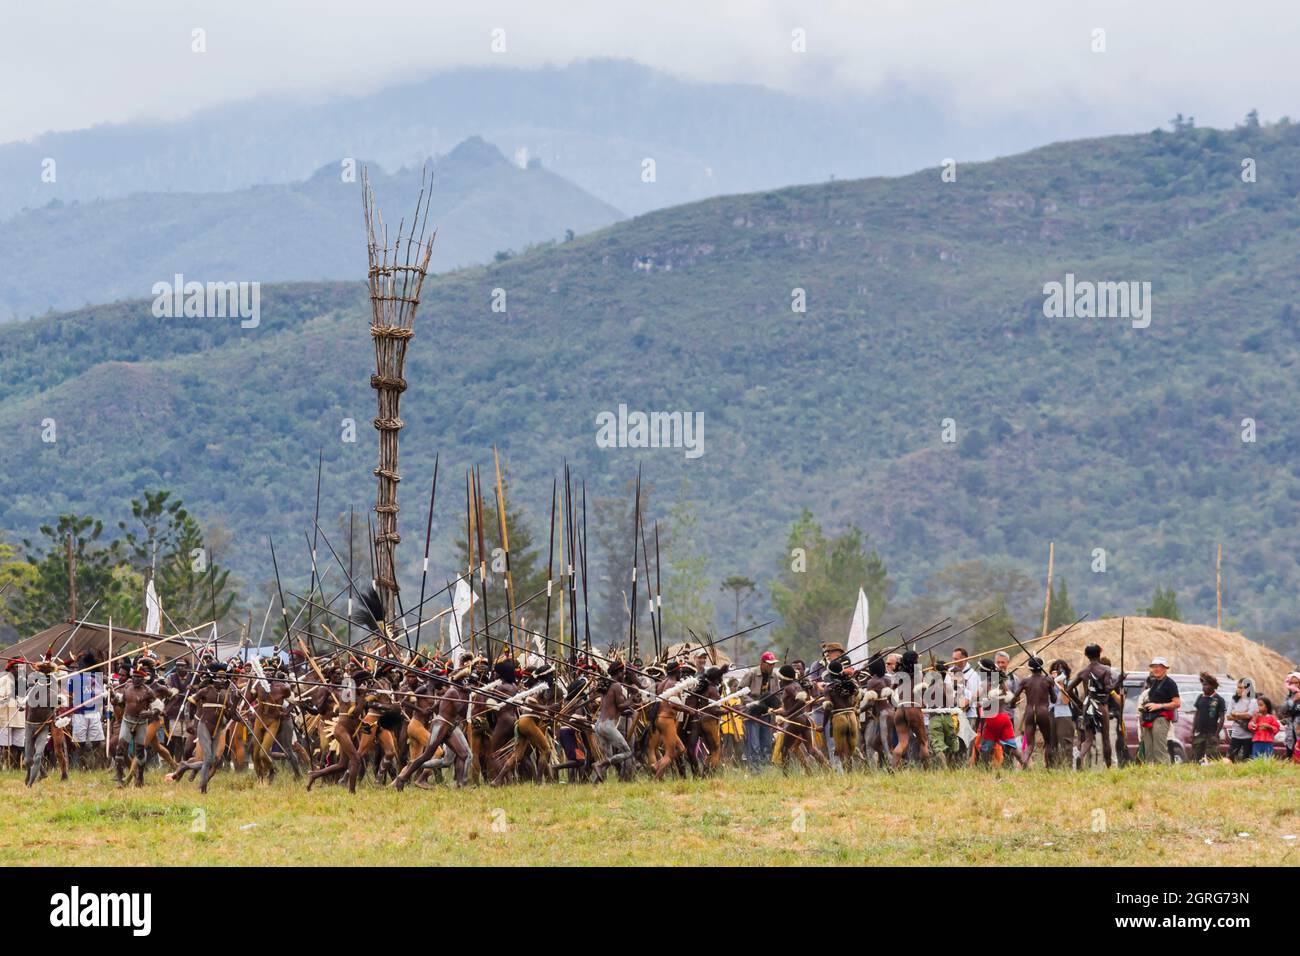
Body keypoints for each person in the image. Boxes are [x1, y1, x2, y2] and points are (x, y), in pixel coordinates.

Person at [736, 651, 779, 768]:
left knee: (767, 743)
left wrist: (775, 709)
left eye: (773, 664)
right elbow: (739, 691)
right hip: (752, 713)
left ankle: (764, 770)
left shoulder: (774, 675)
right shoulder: (752, 673)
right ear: (762, 663)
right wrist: (752, 703)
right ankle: (755, 771)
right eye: (769, 664)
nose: (772, 666)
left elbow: (777, 694)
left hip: (766, 713)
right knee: (754, 744)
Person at [1137, 656, 1180, 765]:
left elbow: (1177, 703)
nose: (1155, 669)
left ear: (1165, 668)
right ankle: (1151, 775)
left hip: (1161, 718)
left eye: (1158, 667)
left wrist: (1159, 706)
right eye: (1153, 667)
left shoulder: (1170, 683)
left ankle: (1164, 774)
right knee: (1148, 750)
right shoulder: (1156, 682)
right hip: (1149, 718)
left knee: (1159, 749)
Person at [1190, 673, 1226, 763]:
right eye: (1203, 685)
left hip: (1211, 734)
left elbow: (1222, 718)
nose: (1203, 687)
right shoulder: (1200, 697)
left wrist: (1216, 734)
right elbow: (1197, 715)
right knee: (1196, 757)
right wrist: (1193, 731)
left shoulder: (1219, 699)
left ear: (1213, 686)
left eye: (1206, 685)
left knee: (1211, 758)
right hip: (1200, 733)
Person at [1047, 660, 1076, 769]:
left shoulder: (1069, 683)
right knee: (1051, 742)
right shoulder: (1049, 683)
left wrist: (1061, 684)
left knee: (1066, 743)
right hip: (1051, 713)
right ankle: (1052, 768)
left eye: (1061, 670)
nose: (1059, 673)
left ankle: (1067, 767)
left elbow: (1065, 701)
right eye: (1056, 670)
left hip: (1064, 713)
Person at [1225, 677, 1257, 762]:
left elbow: (1249, 715)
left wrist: (1235, 714)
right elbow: (1228, 716)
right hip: (1236, 734)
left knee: (1246, 760)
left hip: (1248, 736)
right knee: (1230, 758)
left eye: (1240, 688)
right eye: (1237, 687)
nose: (1238, 690)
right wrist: (1242, 714)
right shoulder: (1234, 700)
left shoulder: (1252, 701)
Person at [1279, 673, 1300, 762]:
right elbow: (1282, 710)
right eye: (1292, 683)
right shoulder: (1289, 697)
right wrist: (1293, 699)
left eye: (1296, 682)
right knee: (1290, 751)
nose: (1294, 685)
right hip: (1291, 730)